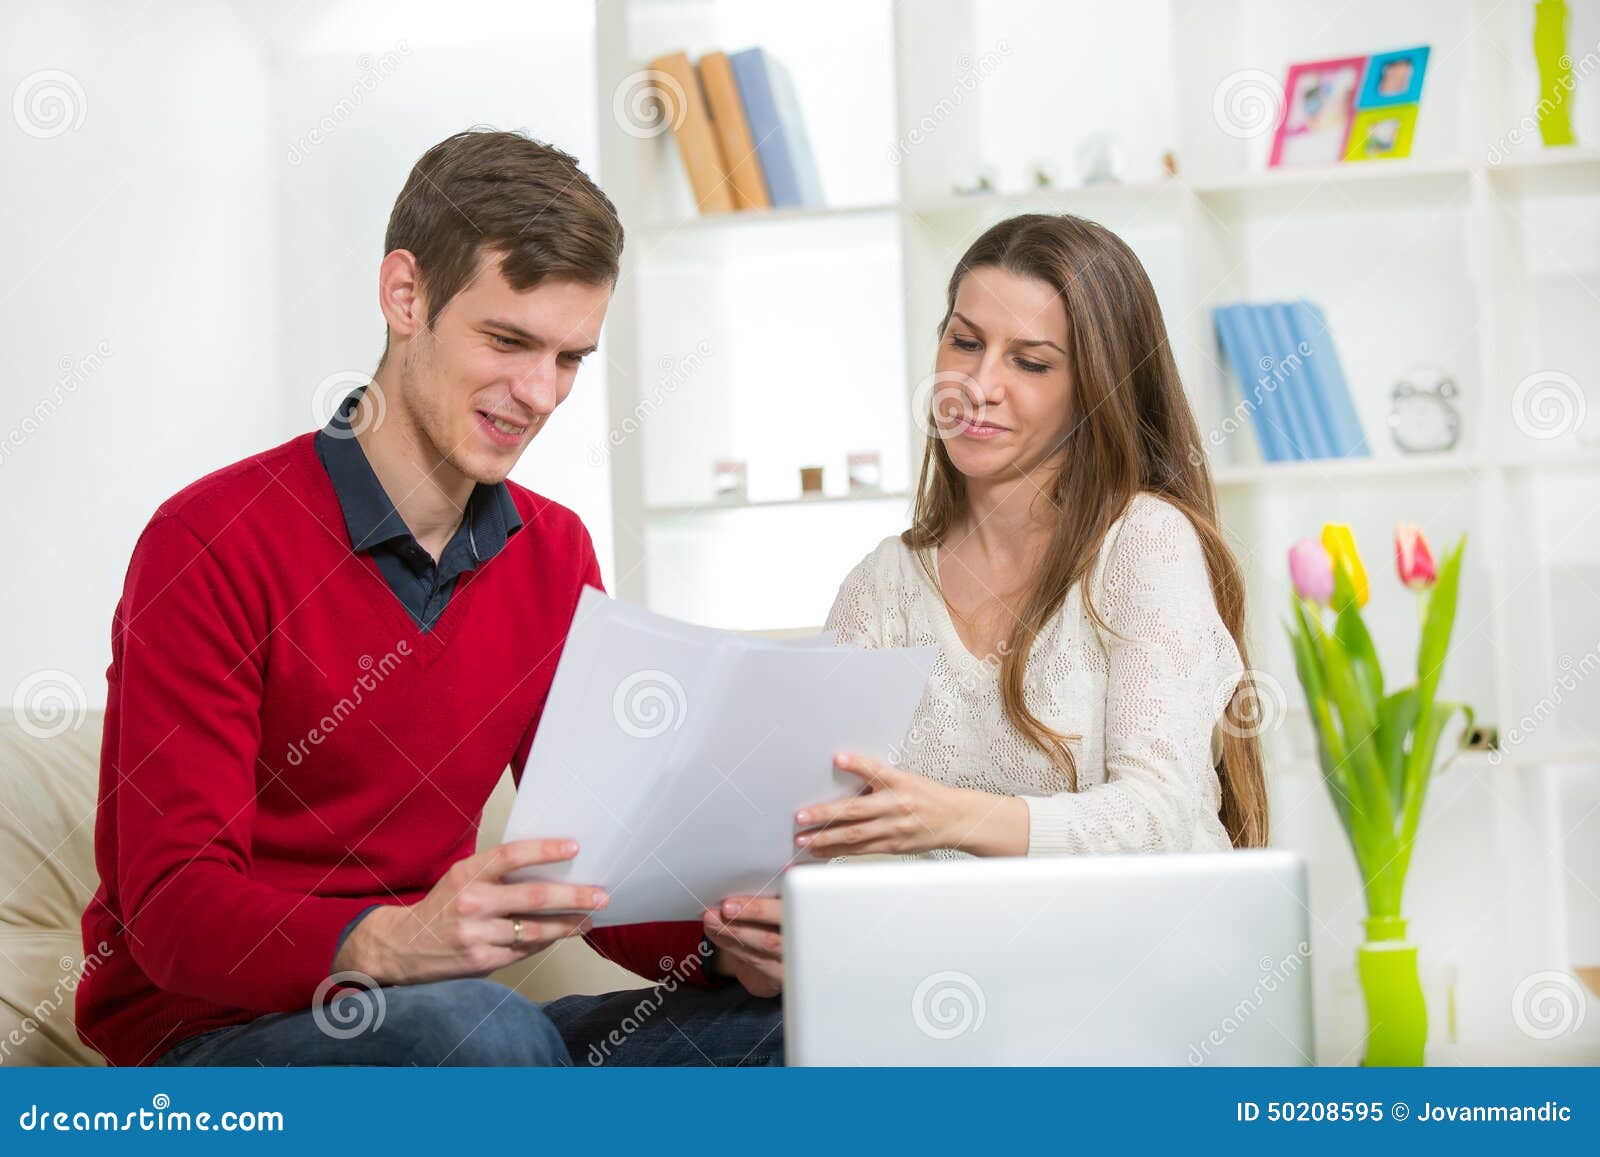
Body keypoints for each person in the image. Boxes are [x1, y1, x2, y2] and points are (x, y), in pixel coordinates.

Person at [75, 129, 782, 1067]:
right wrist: (390, 940)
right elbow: (171, 911)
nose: (538, 393)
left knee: (795, 1028)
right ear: (405, 295)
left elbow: (592, 880)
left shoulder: (554, 551)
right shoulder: (208, 540)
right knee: (477, 1031)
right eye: (508, 339)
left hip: (453, 1030)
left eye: (570, 358)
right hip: (212, 1037)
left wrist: (727, 947)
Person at [704, 213, 1271, 997]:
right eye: (965, 342)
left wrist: (957, 819)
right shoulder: (882, 587)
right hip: (930, 995)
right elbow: (829, 846)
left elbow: (1165, 814)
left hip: (1133, 991)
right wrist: (770, 950)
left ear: (1093, 391)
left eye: (1031, 362)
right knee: (575, 1032)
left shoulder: (1145, 543)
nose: (978, 385)